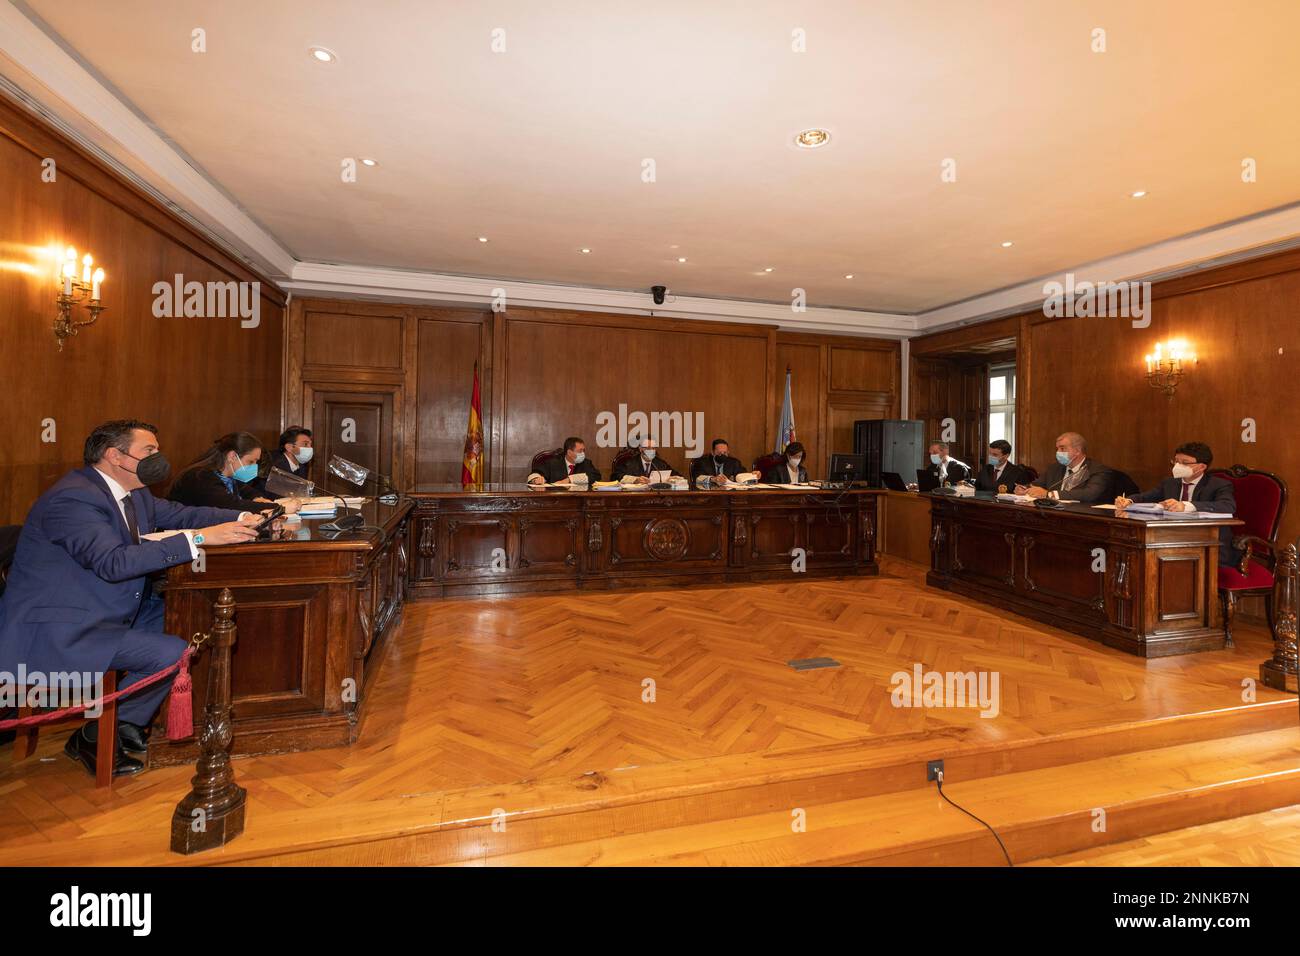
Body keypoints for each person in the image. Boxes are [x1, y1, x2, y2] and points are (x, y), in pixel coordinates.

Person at [0, 420, 263, 778]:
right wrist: (198, 540)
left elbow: (180, 514)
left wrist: (245, 516)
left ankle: (123, 726)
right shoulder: (73, 497)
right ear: (114, 456)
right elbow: (113, 562)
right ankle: (99, 733)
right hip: (61, 627)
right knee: (173, 652)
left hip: (110, 606)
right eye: (149, 452)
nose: (159, 459)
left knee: (186, 617)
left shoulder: (134, 493)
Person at [1115, 442, 1237, 563]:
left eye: (1184, 463)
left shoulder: (1218, 485)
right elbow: (1146, 496)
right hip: (1172, 541)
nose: (1177, 466)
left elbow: (1227, 506)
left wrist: (1186, 506)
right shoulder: (1170, 483)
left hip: (1210, 545)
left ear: (1202, 467)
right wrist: (1128, 500)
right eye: (1176, 461)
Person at [168, 432, 300, 514]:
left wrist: (258, 499)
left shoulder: (229, 476)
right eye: (250, 462)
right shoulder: (200, 476)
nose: (254, 467)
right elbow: (231, 505)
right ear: (232, 456)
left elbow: (249, 492)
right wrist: (279, 508)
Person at [1018, 431, 1114, 504]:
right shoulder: (1054, 468)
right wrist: (1024, 488)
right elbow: (1037, 484)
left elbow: (1090, 494)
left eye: (1062, 448)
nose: (1058, 452)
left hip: (1084, 518)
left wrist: (1049, 494)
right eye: (1057, 448)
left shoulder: (1098, 470)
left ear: (1077, 451)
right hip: (1053, 514)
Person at [527, 437, 602, 485]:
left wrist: (570, 479)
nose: (583, 453)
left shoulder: (586, 463)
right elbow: (535, 473)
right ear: (569, 452)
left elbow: (596, 476)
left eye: (584, 450)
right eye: (580, 451)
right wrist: (535, 479)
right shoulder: (553, 463)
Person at [611, 438, 679, 483]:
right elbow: (614, 477)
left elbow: (677, 476)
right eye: (648, 448)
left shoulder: (660, 464)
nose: (651, 451)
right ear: (640, 449)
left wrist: (671, 479)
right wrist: (635, 480)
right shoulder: (629, 463)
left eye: (653, 448)